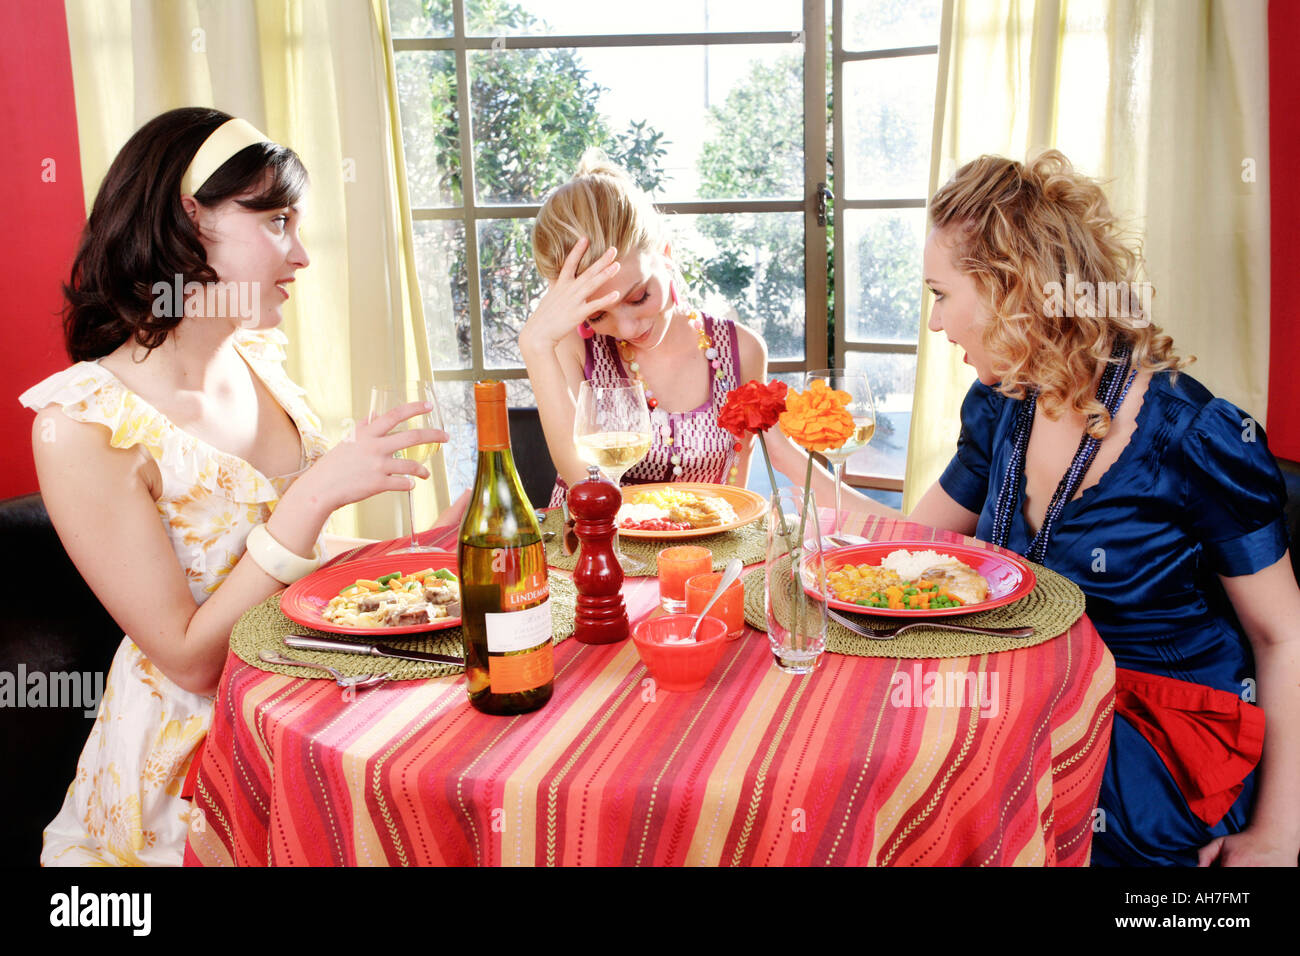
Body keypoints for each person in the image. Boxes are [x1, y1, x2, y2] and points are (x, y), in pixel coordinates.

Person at [816, 149, 1300, 866]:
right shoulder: (999, 404)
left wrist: (1279, 837)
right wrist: (785, 455)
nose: (939, 323)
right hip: (1033, 701)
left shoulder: (1194, 435)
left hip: (1157, 733)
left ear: (1012, 291)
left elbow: (1283, 637)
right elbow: (897, 548)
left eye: (941, 295)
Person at [20, 107, 450, 866]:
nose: (302, 254)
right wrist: (315, 494)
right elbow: (189, 657)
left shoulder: (260, 363)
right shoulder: (80, 424)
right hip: (192, 773)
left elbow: (291, 567)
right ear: (188, 219)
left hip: (308, 715)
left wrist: (422, 548)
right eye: (278, 220)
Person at [519, 151, 767, 505]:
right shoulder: (572, 346)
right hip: (593, 549)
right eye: (598, 316)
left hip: (700, 554)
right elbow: (583, 479)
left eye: (638, 297)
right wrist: (535, 345)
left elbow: (736, 495)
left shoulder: (742, 350)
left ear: (665, 253)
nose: (627, 328)